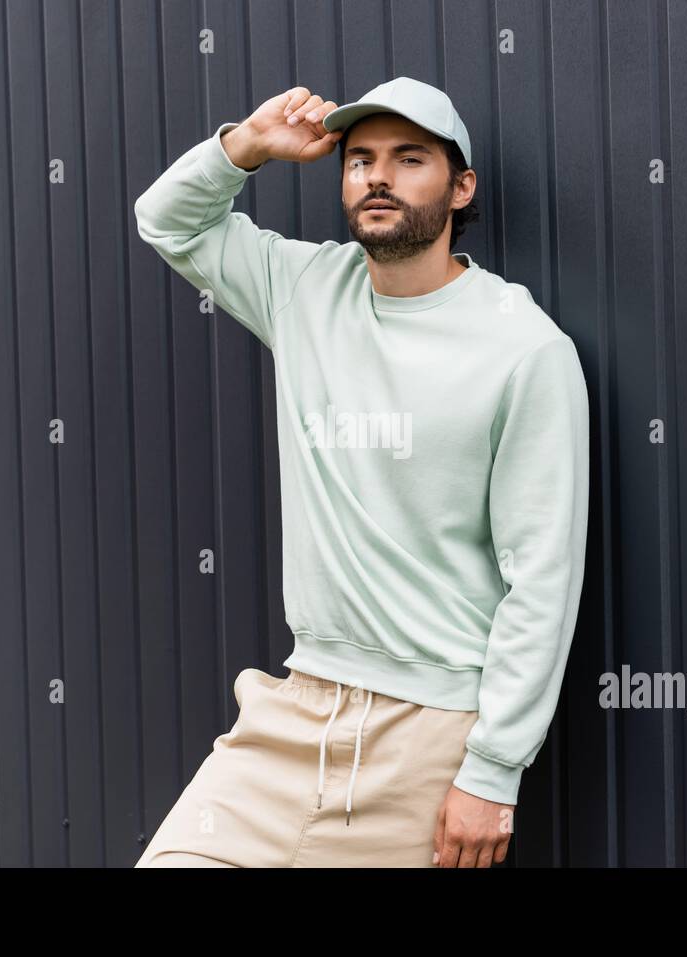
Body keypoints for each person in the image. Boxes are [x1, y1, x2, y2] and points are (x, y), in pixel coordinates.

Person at [132, 77, 589, 867]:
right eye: (360, 159)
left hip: (430, 737)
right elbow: (165, 219)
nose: (377, 176)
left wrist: (492, 770)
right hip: (290, 714)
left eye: (409, 159)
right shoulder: (306, 288)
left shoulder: (526, 347)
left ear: (461, 185)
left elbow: (542, 576)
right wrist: (248, 145)